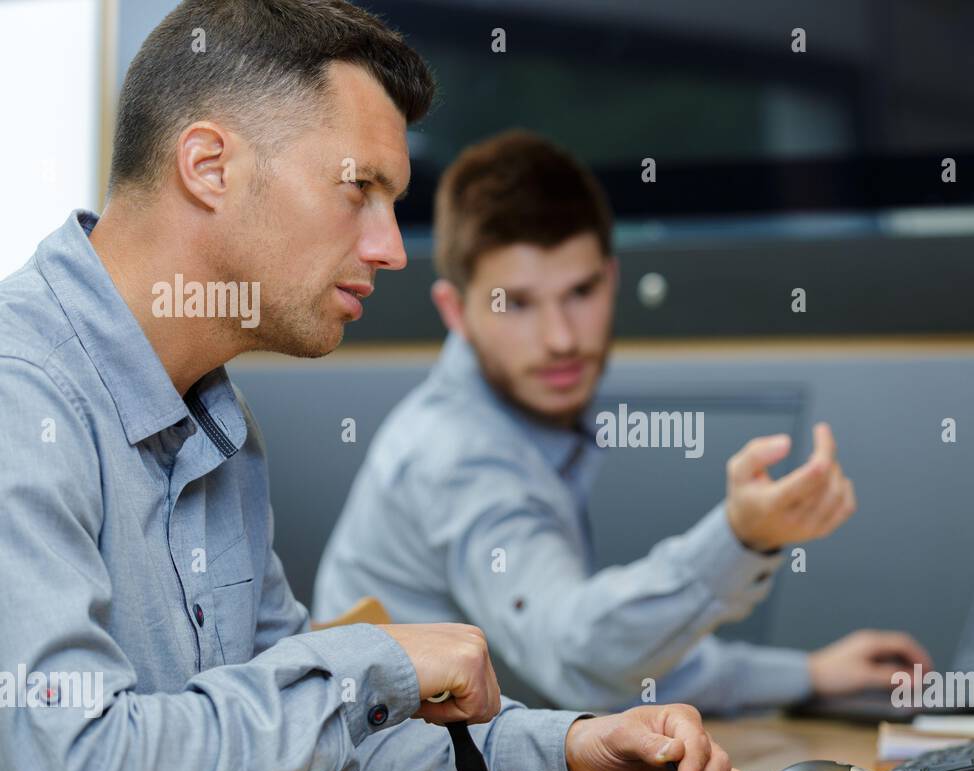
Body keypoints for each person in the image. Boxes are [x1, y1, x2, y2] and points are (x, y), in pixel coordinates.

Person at [0, 0, 743, 771]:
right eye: (360, 190)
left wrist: (568, 747)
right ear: (209, 165)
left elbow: (303, 749)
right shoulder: (23, 400)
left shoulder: (215, 424)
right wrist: (373, 661)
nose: (391, 247)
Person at [315, 129, 933, 714]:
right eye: (518, 303)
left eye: (580, 293)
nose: (560, 339)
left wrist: (809, 676)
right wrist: (740, 537)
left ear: (611, 281)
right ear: (456, 310)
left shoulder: (523, 416)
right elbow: (578, 657)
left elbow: (627, 669)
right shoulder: (458, 453)